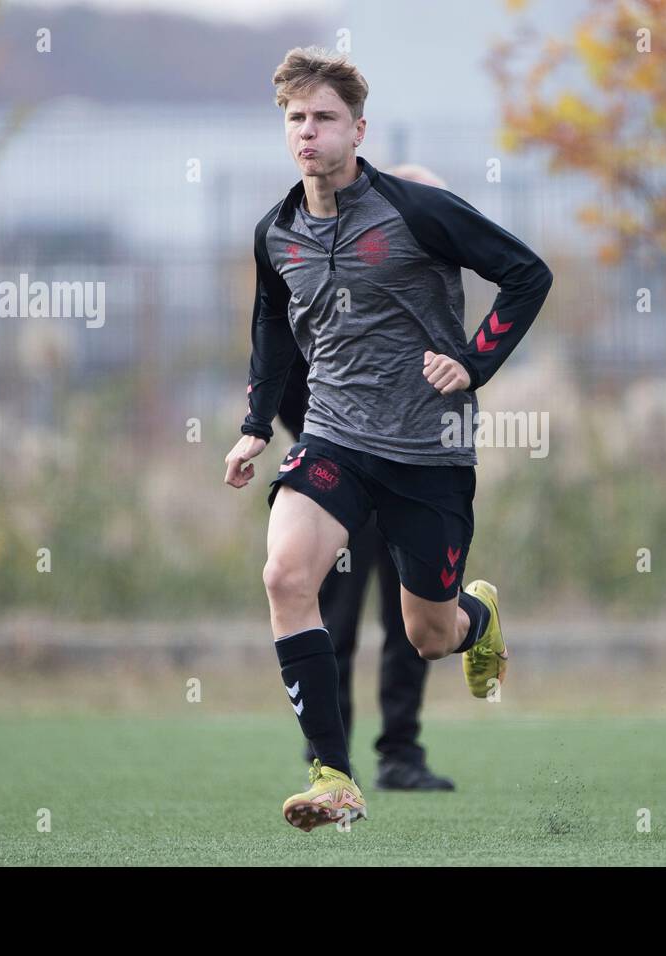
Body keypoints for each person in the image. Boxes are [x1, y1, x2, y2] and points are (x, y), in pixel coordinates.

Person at [224, 47, 552, 832]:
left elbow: (527, 273)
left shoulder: (415, 210)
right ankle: (333, 776)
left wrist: (474, 364)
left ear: (357, 129)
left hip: (428, 451)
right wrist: (252, 427)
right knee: (284, 574)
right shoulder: (276, 231)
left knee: (428, 634)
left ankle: (478, 619)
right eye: (296, 118)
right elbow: (272, 326)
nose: (309, 131)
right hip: (333, 437)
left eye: (325, 118)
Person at [274, 161, 458, 793]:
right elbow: (284, 376)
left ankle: (400, 753)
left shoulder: (428, 309)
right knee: (331, 614)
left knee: (416, 626)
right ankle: (330, 757)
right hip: (337, 479)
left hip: (414, 472)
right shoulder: (323, 280)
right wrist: (332, 455)